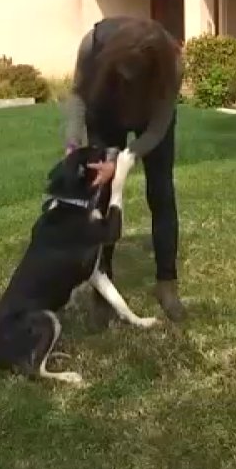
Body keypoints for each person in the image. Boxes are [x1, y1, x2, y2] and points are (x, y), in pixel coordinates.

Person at [63, 16, 184, 324]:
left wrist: (125, 159)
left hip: (150, 114)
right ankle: (103, 283)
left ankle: (166, 282)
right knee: (101, 195)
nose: (128, 79)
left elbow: (157, 128)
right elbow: (79, 93)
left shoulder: (171, 60)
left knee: (161, 192)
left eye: (135, 74)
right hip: (105, 111)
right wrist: (74, 142)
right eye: (123, 71)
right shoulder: (93, 45)